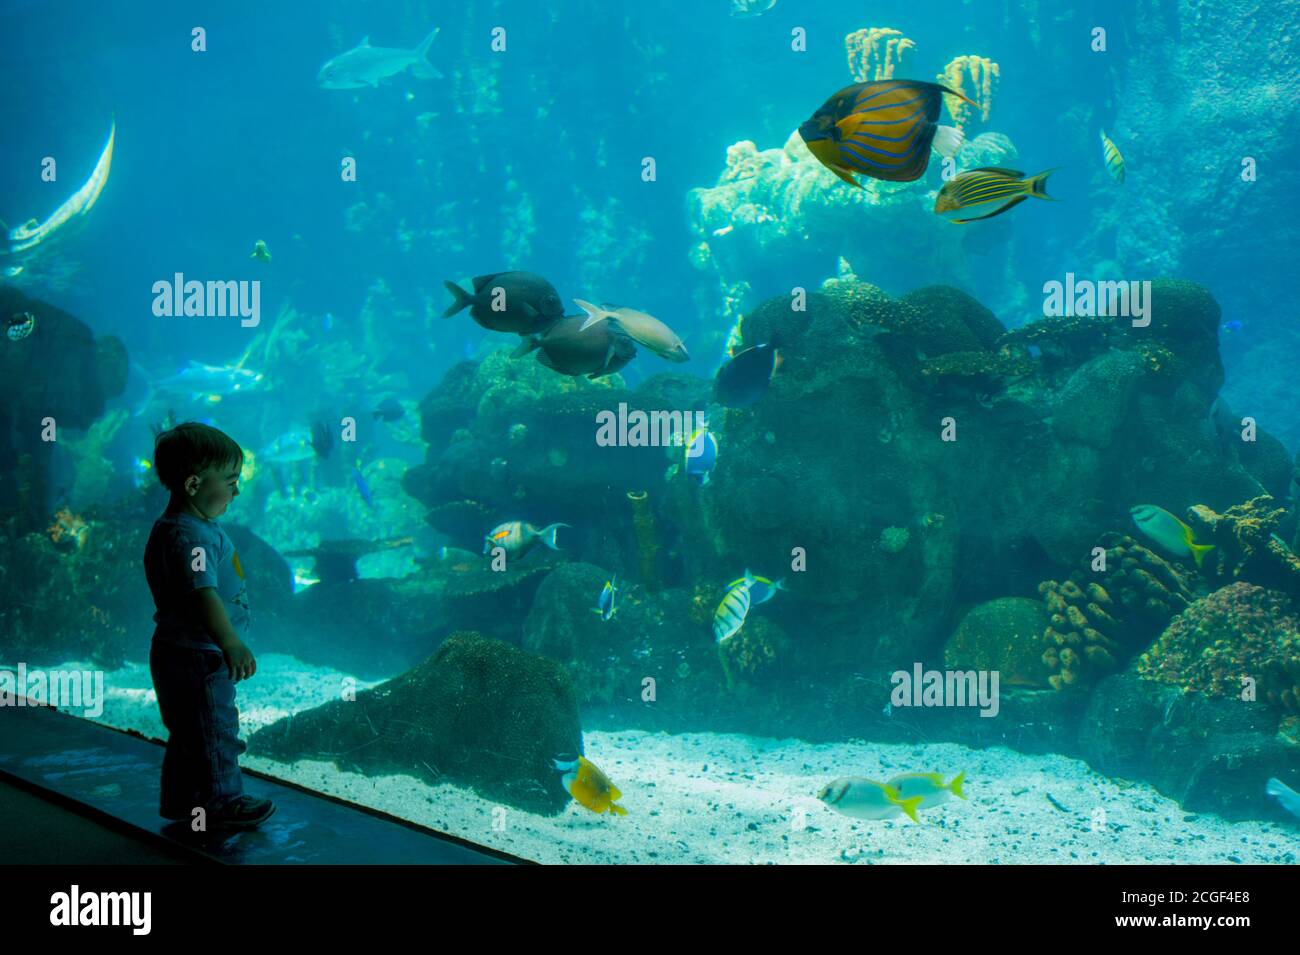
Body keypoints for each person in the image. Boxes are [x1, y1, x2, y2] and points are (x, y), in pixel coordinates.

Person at [144, 422, 275, 830]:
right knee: (215, 731)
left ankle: (184, 803)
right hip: (200, 654)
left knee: (189, 734)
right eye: (231, 481)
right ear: (194, 483)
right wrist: (231, 643)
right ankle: (222, 804)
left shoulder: (177, 529)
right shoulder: (192, 537)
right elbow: (204, 594)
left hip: (178, 650)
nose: (236, 491)